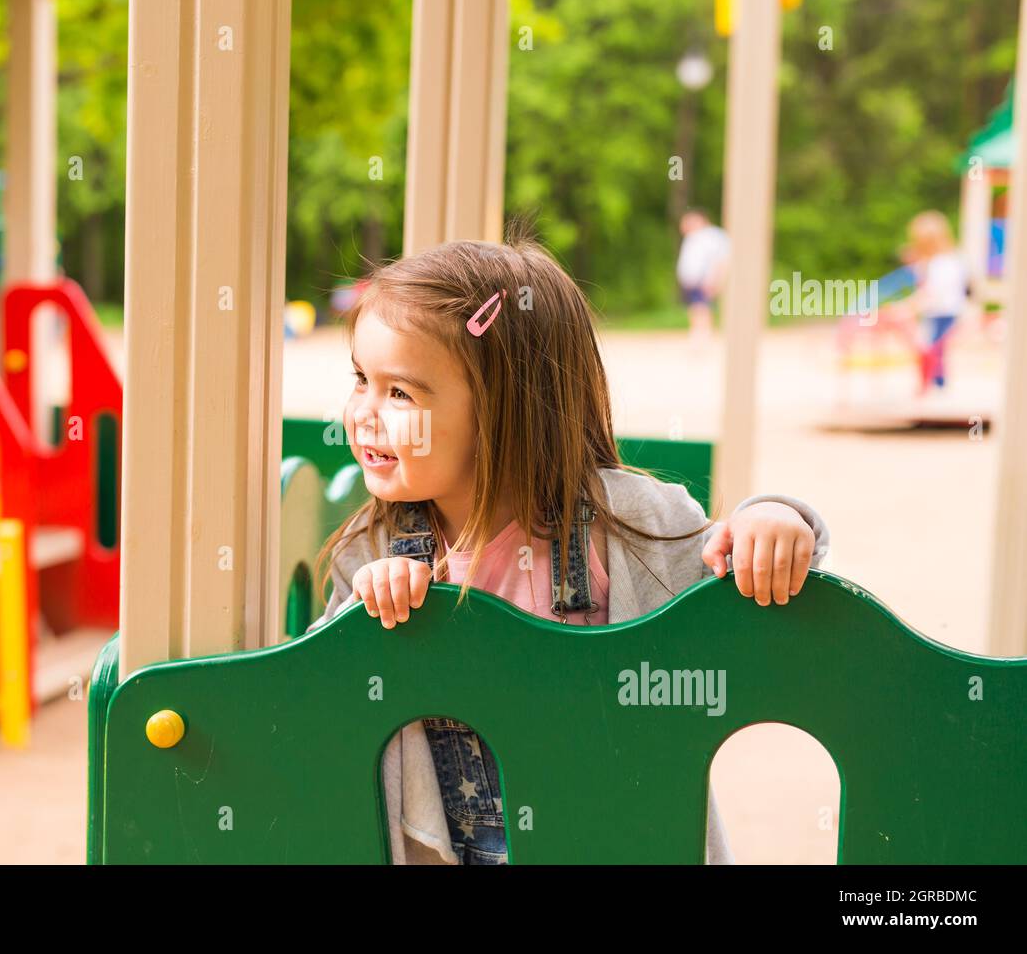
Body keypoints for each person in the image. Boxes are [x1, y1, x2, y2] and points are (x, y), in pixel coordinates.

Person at [306, 229, 830, 865]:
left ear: (504, 408)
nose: (362, 412)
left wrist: (771, 521)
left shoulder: (624, 524)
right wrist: (365, 618)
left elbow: (730, 584)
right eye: (362, 378)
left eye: (399, 392)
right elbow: (325, 701)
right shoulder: (377, 545)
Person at [903, 211, 968, 393]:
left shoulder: (942, 263)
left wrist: (913, 305)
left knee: (931, 348)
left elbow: (934, 291)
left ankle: (934, 384)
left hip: (942, 310)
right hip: (942, 309)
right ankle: (936, 383)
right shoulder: (948, 259)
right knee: (935, 348)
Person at [676, 209, 730, 344]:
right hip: (693, 281)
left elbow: (720, 260)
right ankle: (698, 331)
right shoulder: (694, 237)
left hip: (704, 279)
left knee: (702, 307)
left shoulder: (711, 236)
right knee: (696, 307)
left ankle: (703, 334)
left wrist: (714, 279)